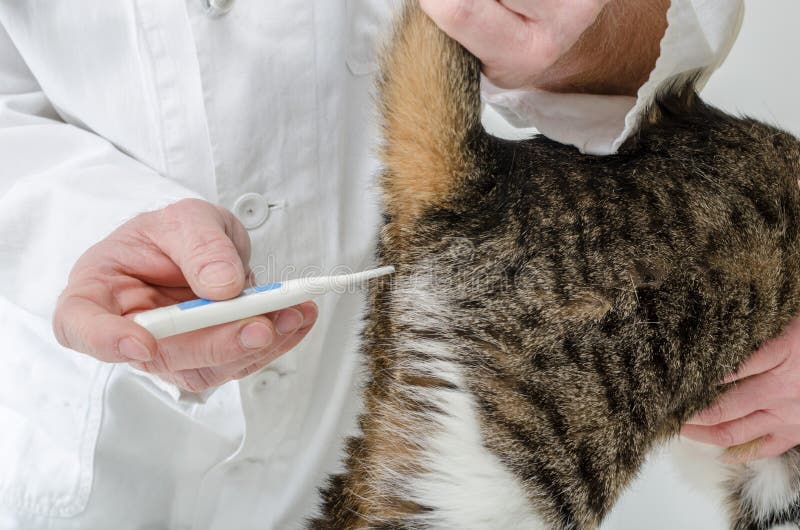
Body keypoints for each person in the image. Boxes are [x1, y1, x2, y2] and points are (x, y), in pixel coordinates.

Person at [0, 1, 786, 529]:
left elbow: (660, 42)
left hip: (419, 367)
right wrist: (79, 221)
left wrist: (577, 38)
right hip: (75, 442)